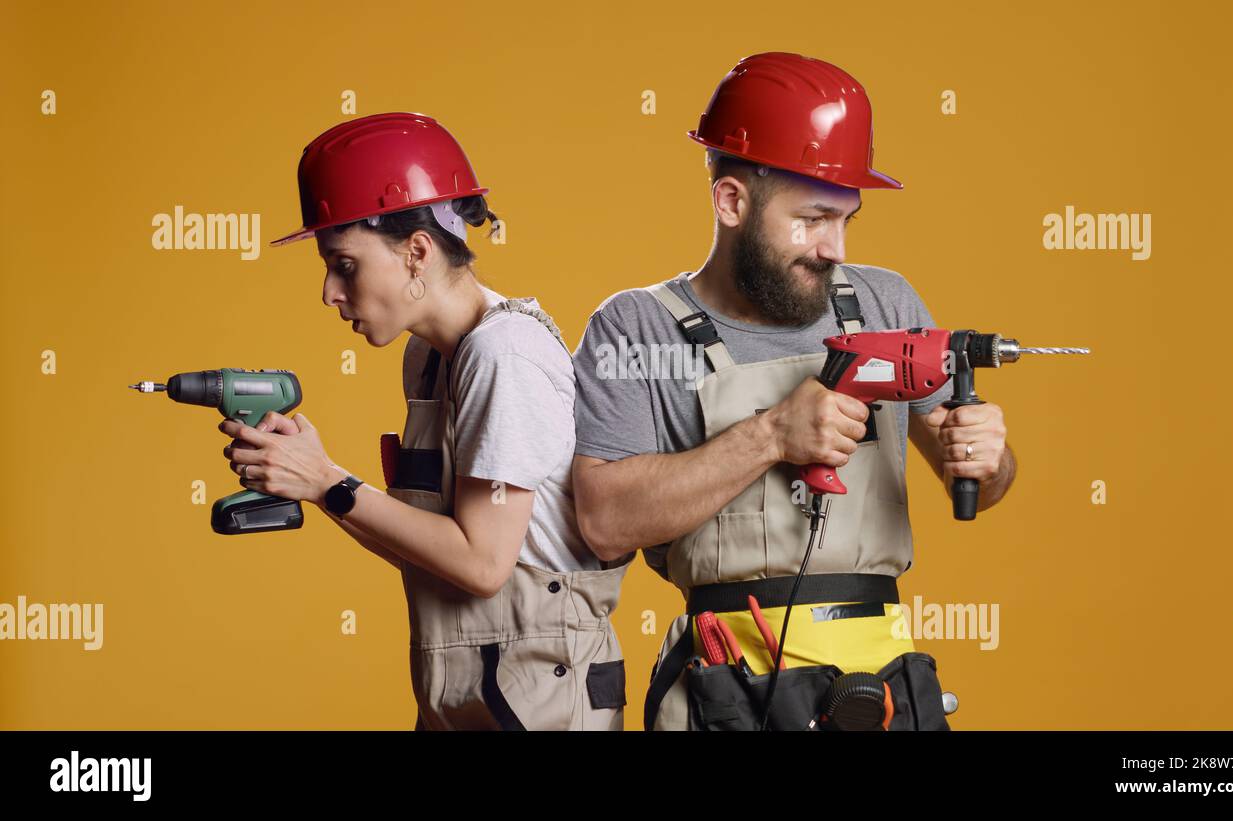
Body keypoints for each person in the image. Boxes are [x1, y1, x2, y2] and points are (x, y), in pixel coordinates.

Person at [569, 54, 1017, 730]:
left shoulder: (885, 302)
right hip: (728, 685)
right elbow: (603, 519)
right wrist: (773, 433)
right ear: (731, 201)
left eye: (846, 219)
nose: (833, 245)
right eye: (811, 218)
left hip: (878, 682)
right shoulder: (635, 327)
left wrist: (988, 458)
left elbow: (982, 485)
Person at [221, 112, 631, 730]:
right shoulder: (432, 357)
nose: (329, 292)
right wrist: (316, 482)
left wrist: (330, 481)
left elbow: (483, 565)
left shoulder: (504, 354)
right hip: (470, 689)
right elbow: (434, 551)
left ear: (417, 251)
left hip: (539, 697)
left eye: (346, 264)